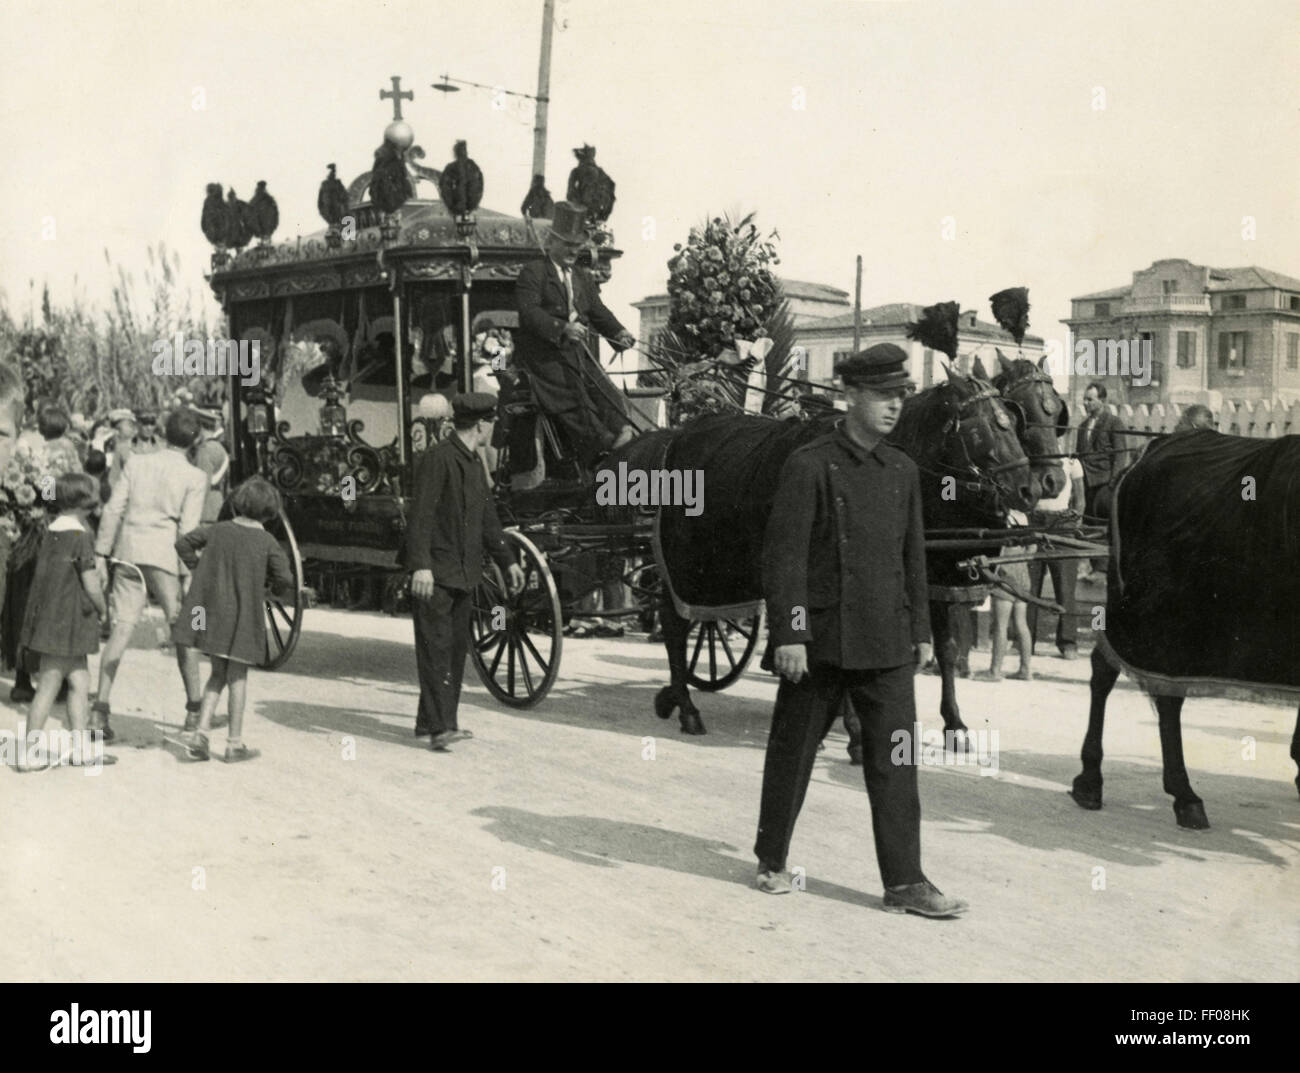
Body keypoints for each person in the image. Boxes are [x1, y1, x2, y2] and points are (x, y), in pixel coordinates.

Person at [754, 343, 966, 918]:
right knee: (793, 753)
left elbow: (911, 558)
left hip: (888, 643)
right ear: (850, 396)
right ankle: (772, 859)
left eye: (900, 395)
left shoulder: (901, 470)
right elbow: (785, 559)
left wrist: (921, 629)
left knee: (897, 762)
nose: (894, 407)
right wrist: (790, 634)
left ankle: (906, 882)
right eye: (881, 396)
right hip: (820, 644)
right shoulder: (810, 464)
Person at [406, 392, 524, 751]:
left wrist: (508, 560)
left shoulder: (474, 463)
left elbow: (488, 520)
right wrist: (420, 566)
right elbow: (420, 516)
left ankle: (437, 722)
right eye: (492, 423)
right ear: (481, 424)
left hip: (463, 572)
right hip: (437, 573)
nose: (494, 429)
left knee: (456, 649)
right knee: (436, 649)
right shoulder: (437, 459)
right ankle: (440, 728)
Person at [93, 408, 208, 741]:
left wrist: (102, 552)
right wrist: (189, 574)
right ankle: (193, 710)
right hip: (164, 555)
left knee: (121, 630)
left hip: (127, 552)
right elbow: (187, 529)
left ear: (163, 431)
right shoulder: (194, 477)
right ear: (196, 439)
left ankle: (100, 711)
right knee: (183, 629)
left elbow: (113, 509)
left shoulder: (137, 462)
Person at [172, 477, 294, 762]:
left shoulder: (218, 530)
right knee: (238, 678)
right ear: (270, 512)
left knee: (217, 675)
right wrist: (273, 590)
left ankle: (200, 735)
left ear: (238, 503)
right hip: (243, 619)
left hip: (212, 618)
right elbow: (285, 579)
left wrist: (199, 567)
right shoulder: (267, 541)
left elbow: (183, 544)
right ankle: (234, 744)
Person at [514, 201, 637, 467]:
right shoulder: (533, 273)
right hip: (544, 360)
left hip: (578, 355)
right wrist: (562, 329)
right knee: (577, 399)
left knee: (608, 394)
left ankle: (625, 437)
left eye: (577, 245)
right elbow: (529, 313)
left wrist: (619, 332)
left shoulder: (581, 277)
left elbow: (598, 311)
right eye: (567, 244)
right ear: (552, 241)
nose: (573, 251)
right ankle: (603, 451)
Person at [15, 473, 112, 773]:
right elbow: (90, 580)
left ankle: (80, 746)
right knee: (55, 685)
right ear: (83, 503)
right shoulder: (81, 536)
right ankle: (28, 751)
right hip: (70, 621)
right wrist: (102, 607)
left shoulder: (51, 531)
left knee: (78, 682)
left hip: (52, 621)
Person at [1027, 436, 1086, 656]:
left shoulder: (1071, 462)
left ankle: (1068, 642)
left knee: (1065, 587)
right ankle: (1024, 640)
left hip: (1062, 523)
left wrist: (1073, 522)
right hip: (1035, 522)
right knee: (1030, 586)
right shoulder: (1033, 460)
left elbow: (1080, 499)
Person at [1077, 382, 1131, 571]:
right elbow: (1079, 455)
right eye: (1084, 399)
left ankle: (1110, 568)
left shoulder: (1113, 422)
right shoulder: (1083, 426)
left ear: (1102, 400)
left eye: (1090, 399)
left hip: (1104, 483)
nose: (1085, 403)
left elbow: (1120, 454)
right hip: (1086, 484)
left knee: (1106, 525)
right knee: (1090, 525)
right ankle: (1096, 567)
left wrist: (1113, 484)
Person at [978, 509, 1035, 681]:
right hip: (1022, 572)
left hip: (1005, 571)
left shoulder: (1002, 517)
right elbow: (1032, 545)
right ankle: (1025, 669)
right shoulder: (1022, 515)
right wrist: (1024, 558)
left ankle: (995, 671)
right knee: (1021, 624)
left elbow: (998, 546)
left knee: (1000, 626)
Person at [188, 407, 230, 523]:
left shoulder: (205, 450)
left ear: (200, 428)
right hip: (216, 505)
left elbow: (203, 485)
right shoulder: (218, 447)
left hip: (206, 511)